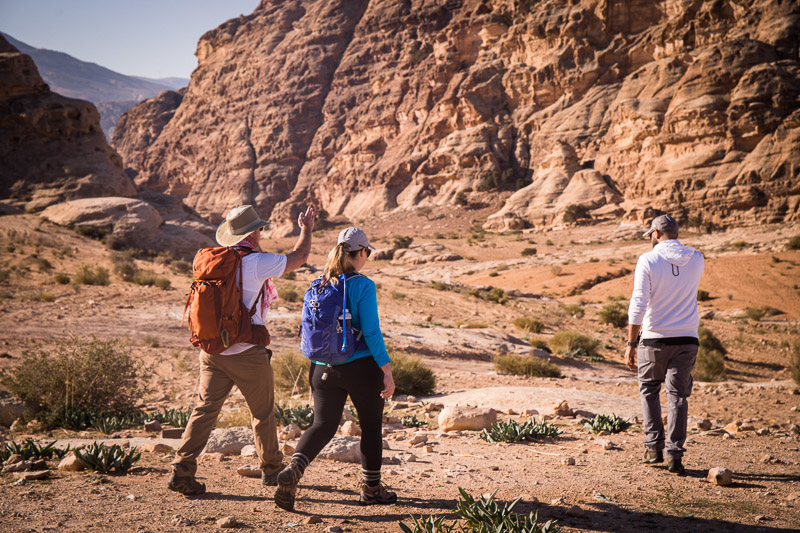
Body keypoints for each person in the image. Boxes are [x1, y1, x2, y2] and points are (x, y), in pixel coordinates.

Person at [168, 204, 316, 495]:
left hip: (211, 350)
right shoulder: (256, 262)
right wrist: (307, 229)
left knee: (204, 411)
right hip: (247, 351)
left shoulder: (213, 260)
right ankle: (272, 470)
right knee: (262, 413)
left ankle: (181, 471)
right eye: (259, 228)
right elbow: (300, 257)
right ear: (254, 232)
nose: (261, 232)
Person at [274, 227, 397, 511]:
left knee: (322, 425)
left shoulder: (318, 283)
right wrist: (386, 370)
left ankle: (294, 469)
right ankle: (371, 489)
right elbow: (372, 332)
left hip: (321, 368)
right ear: (362, 252)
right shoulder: (362, 285)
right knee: (370, 427)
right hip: (361, 367)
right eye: (367, 252)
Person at [625, 214, 704, 475]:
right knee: (678, 396)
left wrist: (631, 342)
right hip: (688, 338)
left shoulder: (648, 259)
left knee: (649, 389)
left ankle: (653, 449)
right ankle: (674, 456)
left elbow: (639, 302)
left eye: (651, 235)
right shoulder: (697, 258)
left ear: (656, 233)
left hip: (654, 337)